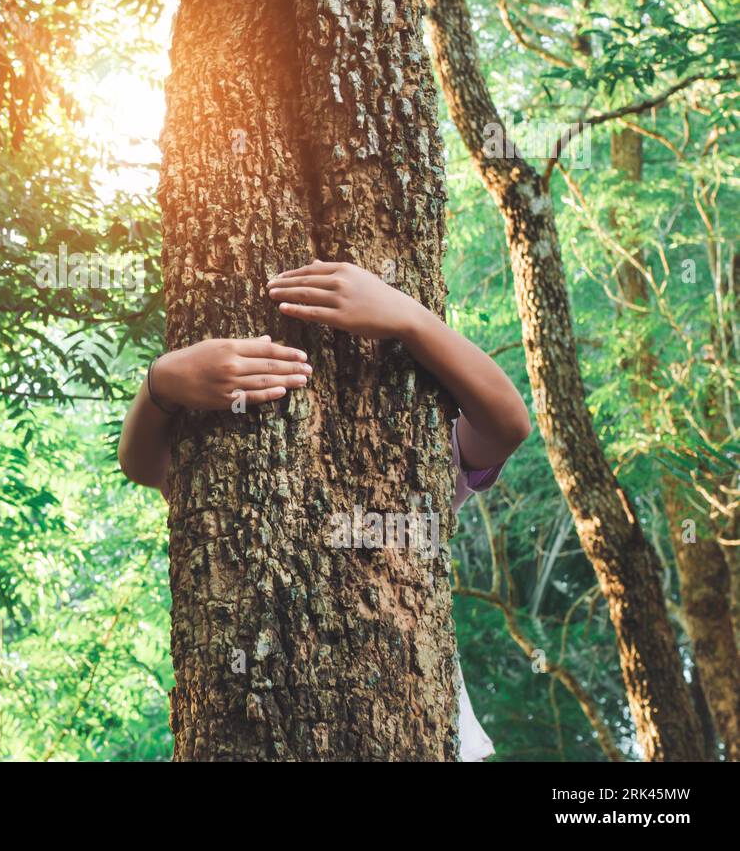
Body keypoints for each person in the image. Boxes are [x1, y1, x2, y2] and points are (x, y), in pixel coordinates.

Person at [116, 259, 532, 761]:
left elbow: (508, 425)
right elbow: (148, 465)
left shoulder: (422, 456)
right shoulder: (222, 461)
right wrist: (160, 383)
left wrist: (410, 318)